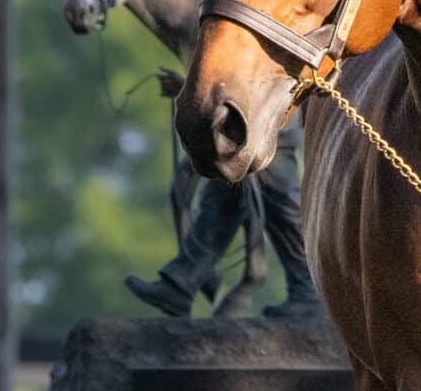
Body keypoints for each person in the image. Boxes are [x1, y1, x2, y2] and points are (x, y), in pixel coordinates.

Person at [124, 128, 322, 319]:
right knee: (224, 197)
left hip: (268, 119)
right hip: (240, 124)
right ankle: (181, 283)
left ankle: (309, 291)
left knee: (281, 200)